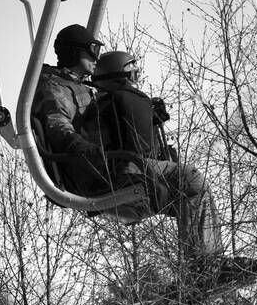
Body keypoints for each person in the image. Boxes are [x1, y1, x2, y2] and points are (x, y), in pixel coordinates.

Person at [89, 50, 227, 269]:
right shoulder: (107, 106)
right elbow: (116, 149)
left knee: (188, 193)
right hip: (125, 175)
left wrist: (151, 120)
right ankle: (203, 265)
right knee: (190, 181)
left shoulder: (110, 104)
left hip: (129, 175)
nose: (135, 77)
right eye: (131, 72)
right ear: (117, 75)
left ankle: (203, 265)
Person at [30, 25, 145, 197]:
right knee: (190, 179)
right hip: (97, 171)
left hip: (112, 163)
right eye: (92, 50)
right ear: (74, 52)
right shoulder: (55, 88)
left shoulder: (79, 85)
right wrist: (86, 150)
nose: (96, 57)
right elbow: (57, 127)